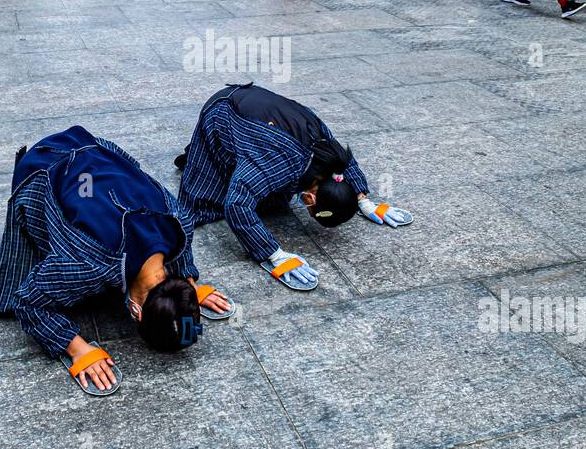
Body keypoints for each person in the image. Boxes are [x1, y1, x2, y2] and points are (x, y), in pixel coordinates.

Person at [0, 126, 231, 396]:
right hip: (45, 167)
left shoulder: (179, 222)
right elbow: (28, 301)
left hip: (96, 156)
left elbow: (182, 255)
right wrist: (77, 348)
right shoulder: (90, 264)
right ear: (135, 311)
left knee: (105, 191)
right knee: (60, 241)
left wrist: (188, 289)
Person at [175, 83, 413, 292]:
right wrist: (274, 255)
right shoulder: (277, 161)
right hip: (223, 111)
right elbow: (236, 205)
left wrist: (364, 201)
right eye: (310, 210)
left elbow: (344, 160)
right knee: (207, 195)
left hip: (260, 106)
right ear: (310, 199)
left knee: (266, 192)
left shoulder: (325, 149)